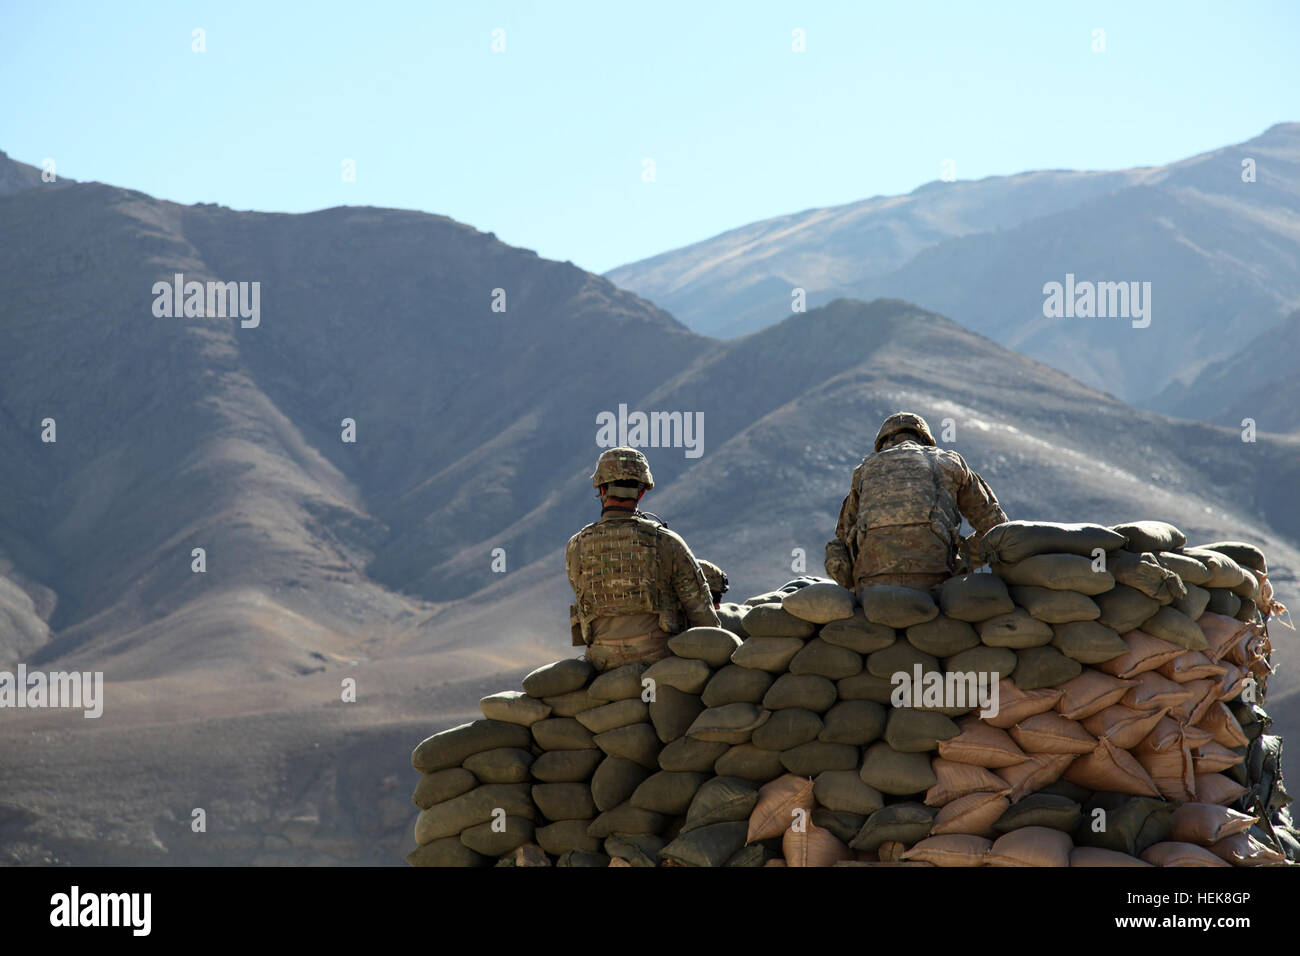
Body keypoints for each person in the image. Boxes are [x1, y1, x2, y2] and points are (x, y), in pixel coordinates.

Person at [566, 447, 719, 671]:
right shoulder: (667, 542)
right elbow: (704, 617)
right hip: (659, 659)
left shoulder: (576, 545)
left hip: (602, 661)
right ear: (642, 492)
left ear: (601, 489)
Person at [825, 412, 1007, 597]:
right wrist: (961, 559)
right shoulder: (949, 463)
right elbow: (996, 526)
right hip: (939, 579)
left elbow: (843, 536)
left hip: (871, 584)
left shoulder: (863, 471)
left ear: (882, 443)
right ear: (925, 440)